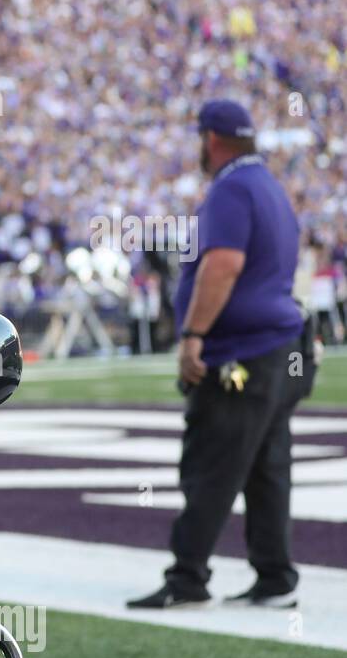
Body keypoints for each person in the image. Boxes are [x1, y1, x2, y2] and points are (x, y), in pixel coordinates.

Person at [129, 99, 309, 611]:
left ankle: (188, 577)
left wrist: (193, 335)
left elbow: (224, 264)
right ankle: (275, 576)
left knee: (211, 463)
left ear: (211, 139)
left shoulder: (232, 187)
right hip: (281, 347)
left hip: (241, 353)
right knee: (267, 467)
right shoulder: (268, 184)